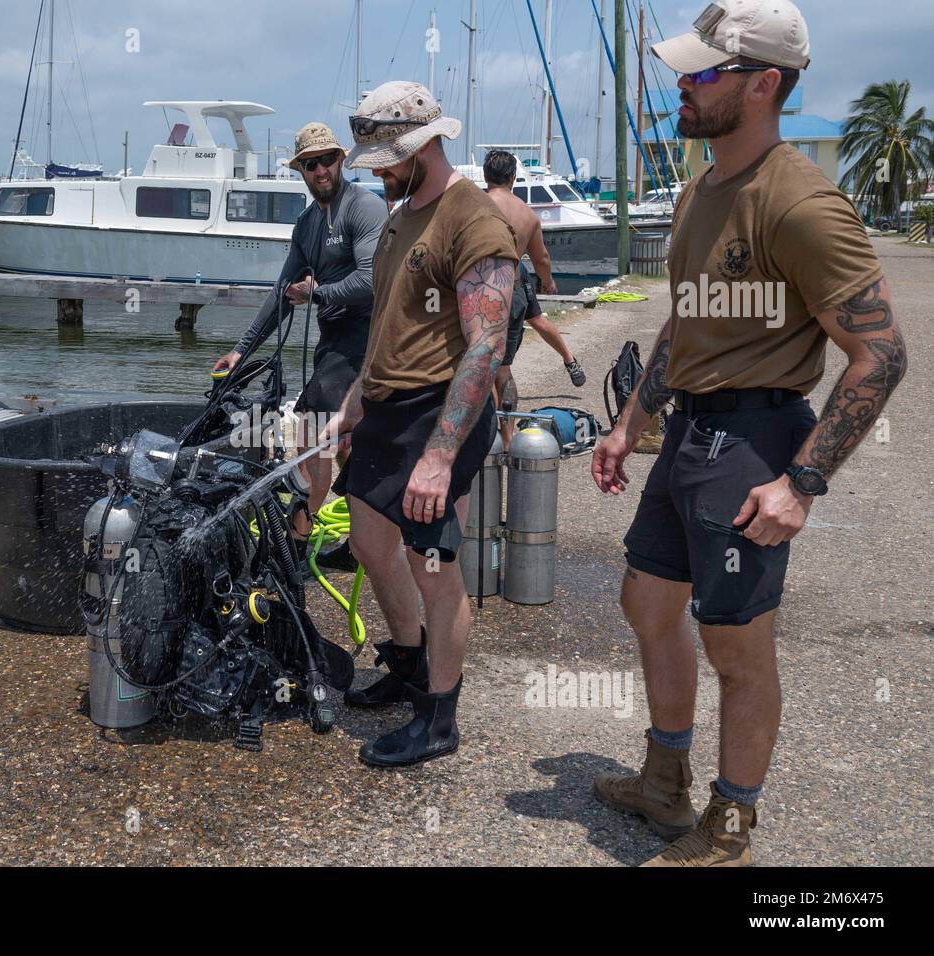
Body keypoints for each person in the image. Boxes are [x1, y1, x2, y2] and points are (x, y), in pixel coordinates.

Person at [591, 0, 907, 866]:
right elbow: (684, 325)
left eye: (701, 74)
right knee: (646, 601)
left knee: (737, 642)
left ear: (764, 85)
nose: (681, 86)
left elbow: (880, 354)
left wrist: (800, 484)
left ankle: (730, 826)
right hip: (687, 432)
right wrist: (630, 422)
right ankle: (664, 780)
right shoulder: (701, 188)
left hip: (756, 440)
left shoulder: (803, 203)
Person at [322, 81, 519, 767]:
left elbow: (484, 346)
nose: (375, 167)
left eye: (385, 155)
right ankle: (406, 659)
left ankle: (439, 717)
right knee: (371, 539)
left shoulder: (473, 222)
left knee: (432, 563)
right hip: (387, 405)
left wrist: (439, 458)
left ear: (423, 147)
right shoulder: (405, 213)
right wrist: (356, 398)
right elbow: (389, 318)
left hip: (442, 413)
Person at [214, 123, 386, 557]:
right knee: (345, 443)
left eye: (327, 160)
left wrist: (318, 292)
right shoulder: (307, 224)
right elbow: (282, 293)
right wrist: (240, 351)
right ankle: (362, 541)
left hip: (369, 338)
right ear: (301, 172)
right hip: (332, 343)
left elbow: (370, 279)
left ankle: (295, 541)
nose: (321, 170)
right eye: (311, 164)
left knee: (311, 428)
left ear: (341, 160)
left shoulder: (364, 207)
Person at [481, 149, 587, 448]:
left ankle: (483, 440)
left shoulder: (475, 205)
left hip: (480, 291)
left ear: (486, 176)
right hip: (512, 290)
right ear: (513, 177)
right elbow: (541, 258)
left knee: (479, 367)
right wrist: (548, 282)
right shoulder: (527, 215)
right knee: (503, 369)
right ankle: (508, 436)